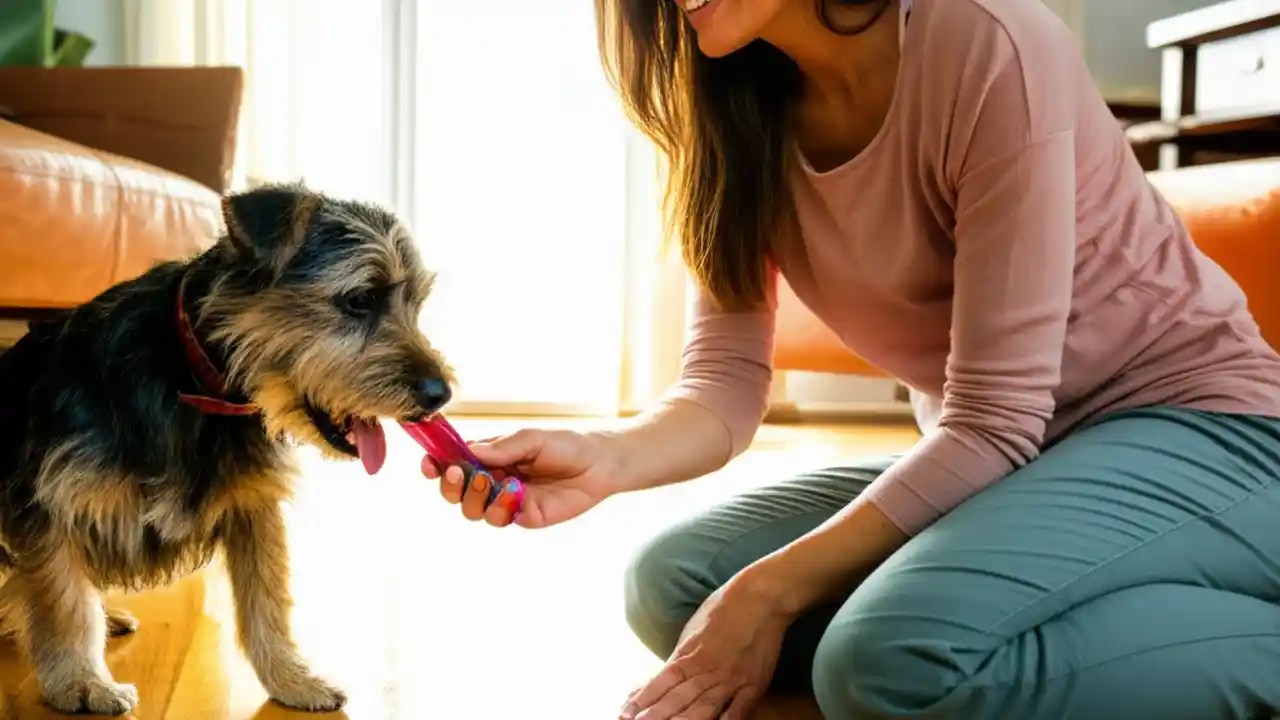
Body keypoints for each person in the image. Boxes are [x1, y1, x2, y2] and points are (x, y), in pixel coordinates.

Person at [422, 0, 1280, 717]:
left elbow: (995, 419)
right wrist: (605, 458)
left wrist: (770, 591)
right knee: (674, 585)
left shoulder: (988, 42)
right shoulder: (731, 106)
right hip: (1019, 466)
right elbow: (723, 382)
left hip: (1208, 434)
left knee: (886, 658)